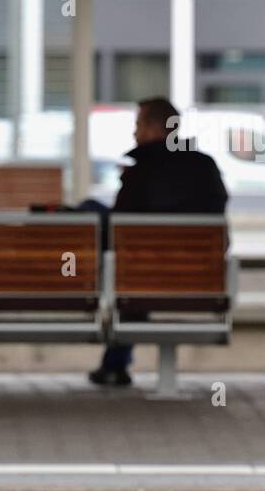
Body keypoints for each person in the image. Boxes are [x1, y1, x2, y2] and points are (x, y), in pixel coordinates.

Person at [86, 97, 228, 387]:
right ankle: (114, 364)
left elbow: (119, 228)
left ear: (153, 128)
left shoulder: (141, 172)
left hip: (140, 276)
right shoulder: (205, 166)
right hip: (200, 278)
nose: (134, 133)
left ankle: (115, 364)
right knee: (138, 271)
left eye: (137, 125)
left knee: (94, 216)